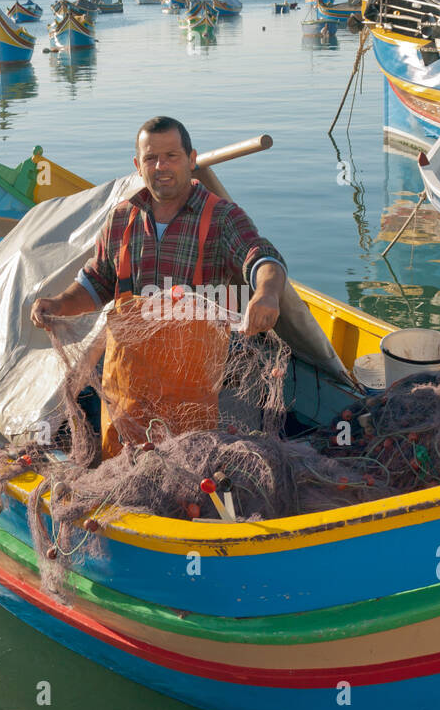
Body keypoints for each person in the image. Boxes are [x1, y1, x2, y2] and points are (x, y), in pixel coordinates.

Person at [31, 116, 286, 457]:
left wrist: (266, 293)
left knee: (189, 466)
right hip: (127, 383)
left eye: (172, 156)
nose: (161, 166)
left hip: (190, 387)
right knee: (121, 464)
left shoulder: (222, 217)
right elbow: (96, 282)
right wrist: (59, 305)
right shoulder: (121, 218)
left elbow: (263, 258)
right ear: (138, 165)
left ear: (192, 159)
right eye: (151, 158)